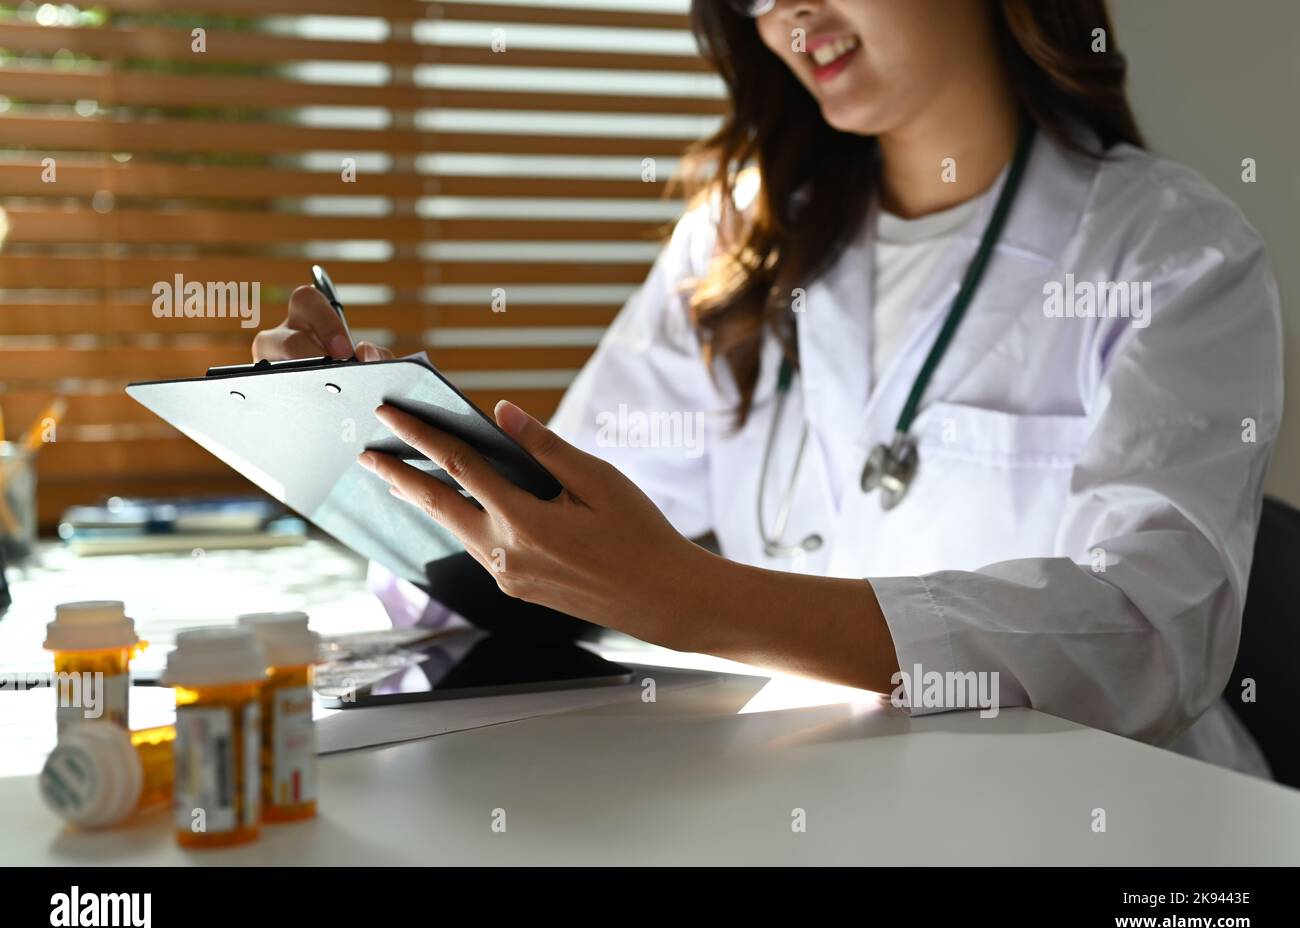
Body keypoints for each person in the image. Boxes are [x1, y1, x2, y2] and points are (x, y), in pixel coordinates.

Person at [253, 0, 1283, 777]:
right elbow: (560, 529)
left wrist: (694, 599)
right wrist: (363, 427)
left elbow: (1152, 632)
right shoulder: (741, 239)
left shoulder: (1170, 252)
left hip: (1110, 815)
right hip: (825, 790)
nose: (786, 13)